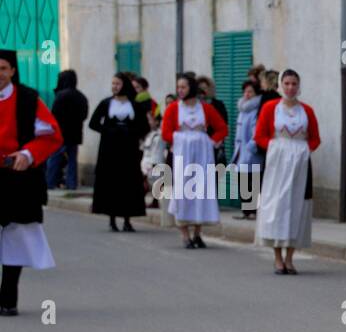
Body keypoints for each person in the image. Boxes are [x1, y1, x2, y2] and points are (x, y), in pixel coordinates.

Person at [0, 49, 61, 317]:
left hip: (18, 176)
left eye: (3, 68)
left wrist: (28, 153)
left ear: (12, 70)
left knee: (16, 236)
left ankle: (8, 296)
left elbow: (51, 135)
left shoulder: (28, 99)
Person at [253, 69, 321, 275]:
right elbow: (259, 135)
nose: (290, 88)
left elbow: (316, 137)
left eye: (294, 84)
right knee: (277, 205)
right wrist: (276, 148)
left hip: (300, 164)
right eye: (287, 83)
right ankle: (277, 257)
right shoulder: (270, 108)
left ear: (299, 86)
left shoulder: (307, 110)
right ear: (280, 86)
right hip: (277, 164)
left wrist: (304, 149)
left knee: (298, 207)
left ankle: (290, 257)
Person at [161, 71, 228, 249]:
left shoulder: (205, 108)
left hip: (202, 154)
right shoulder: (173, 108)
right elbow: (166, 132)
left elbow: (222, 128)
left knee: (201, 189)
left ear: (192, 88)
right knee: (183, 189)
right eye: (178, 87)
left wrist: (210, 142)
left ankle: (198, 233)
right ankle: (184, 233)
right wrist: (180, 138)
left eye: (183, 87)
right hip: (183, 153)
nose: (180, 90)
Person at [88, 72, 150, 232]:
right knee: (111, 182)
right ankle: (112, 219)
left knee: (128, 183)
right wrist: (108, 131)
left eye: (118, 84)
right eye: (113, 84)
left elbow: (145, 126)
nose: (114, 87)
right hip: (109, 150)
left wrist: (131, 132)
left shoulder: (134, 105)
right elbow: (93, 123)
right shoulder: (106, 103)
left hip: (128, 150)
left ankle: (127, 220)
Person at [47, 70, 89, 190]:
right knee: (72, 160)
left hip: (61, 133)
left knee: (54, 159)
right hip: (75, 134)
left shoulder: (60, 96)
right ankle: (71, 184)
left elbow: (53, 115)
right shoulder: (80, 96)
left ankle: (49, 182)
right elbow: (84, 115)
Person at [231, 79, 263, 219]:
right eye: (245, 91)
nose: (247, 94)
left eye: (250, 91)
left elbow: (256, 131)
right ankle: (246, 211)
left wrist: (252, 147)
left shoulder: (256, 110)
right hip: (241, 150)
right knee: (242, 179)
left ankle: (254, 211)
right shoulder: (243, 109)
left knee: (253, 180)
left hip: (251, 151)